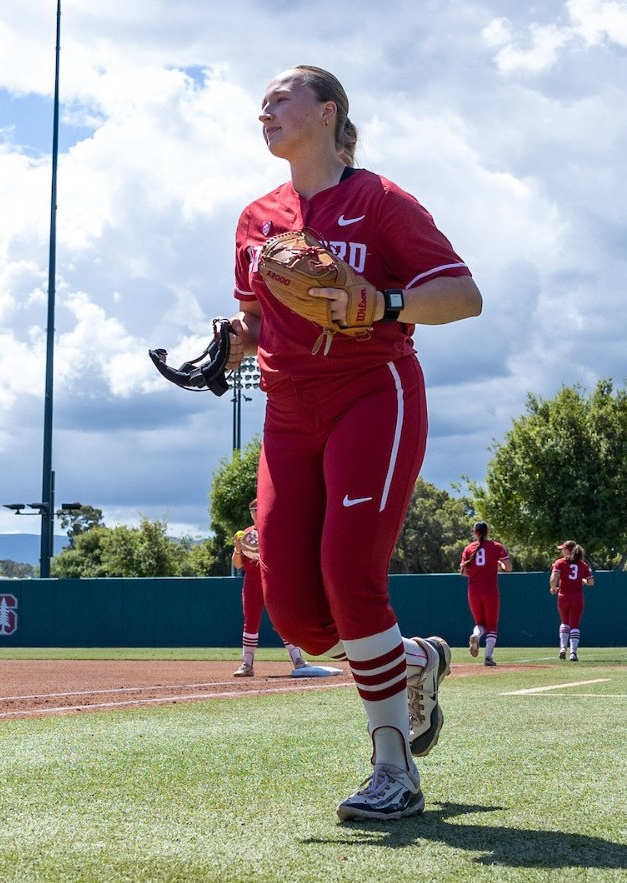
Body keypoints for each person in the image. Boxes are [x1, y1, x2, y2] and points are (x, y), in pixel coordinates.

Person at [226, 65, 483, 821]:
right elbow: (260, 322)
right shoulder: (255, 218)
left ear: (328, 111)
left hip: (374, 392)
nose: (264, 108)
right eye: (263, 100)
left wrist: (391, 301)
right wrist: (230, 342)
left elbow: (463, 294)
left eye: (281, 97)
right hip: (287, 409)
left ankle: (392, 768)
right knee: (301, 616)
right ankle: (414, 659)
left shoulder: (380, 200)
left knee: (348, 569)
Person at [231, 501, 308, 677]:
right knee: (250, 622)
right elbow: (237, 564)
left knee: (282, 621)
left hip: (273, 581)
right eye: (253, 510)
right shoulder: (247, 534)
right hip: (252, 582)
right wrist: (237, 548)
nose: (256, 512)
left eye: (259, 508)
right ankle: (246, 665)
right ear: (251, 514)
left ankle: (298, 660)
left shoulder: (275, 531)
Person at [460, 521, 511, 667]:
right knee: (492, 626)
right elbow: (508, 567)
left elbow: (463, 572)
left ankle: (476, 635)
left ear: (475, 532)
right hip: (490, 589)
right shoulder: (496, 546)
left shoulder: (469, 548)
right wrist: (500, 565)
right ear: (487, 531)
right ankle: (488, 657)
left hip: (473, 589)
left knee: (480, 623)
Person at [550, 540, 595, 661]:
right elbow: (591, 582)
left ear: (568, 550)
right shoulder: (582, 564)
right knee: (574, 624)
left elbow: (554, 577)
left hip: (563, 596)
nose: (562, 551)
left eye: (563, 549)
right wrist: (582, 580)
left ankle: (563, 648)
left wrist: (553, 587)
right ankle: (573, 653)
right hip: (577, 597)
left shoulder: (560, 562)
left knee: (564, 622)